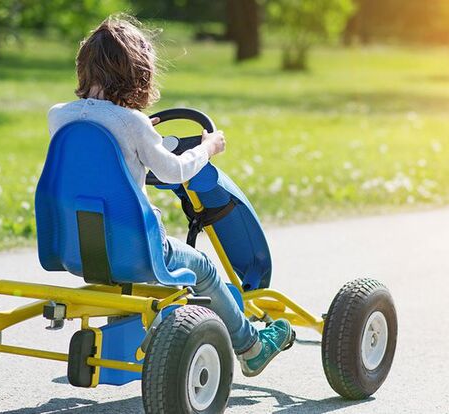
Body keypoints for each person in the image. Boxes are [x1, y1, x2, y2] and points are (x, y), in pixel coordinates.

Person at [47, 15, 292, 377]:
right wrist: (208, 147)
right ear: (137, 72)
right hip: (137, 251)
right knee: (204, 269)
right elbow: (172, 172)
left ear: (84, 67)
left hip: (74, 247)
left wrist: (140, 148)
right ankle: (251, 345)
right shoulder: (133, 123)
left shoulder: (58, 117)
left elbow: (99, 159)